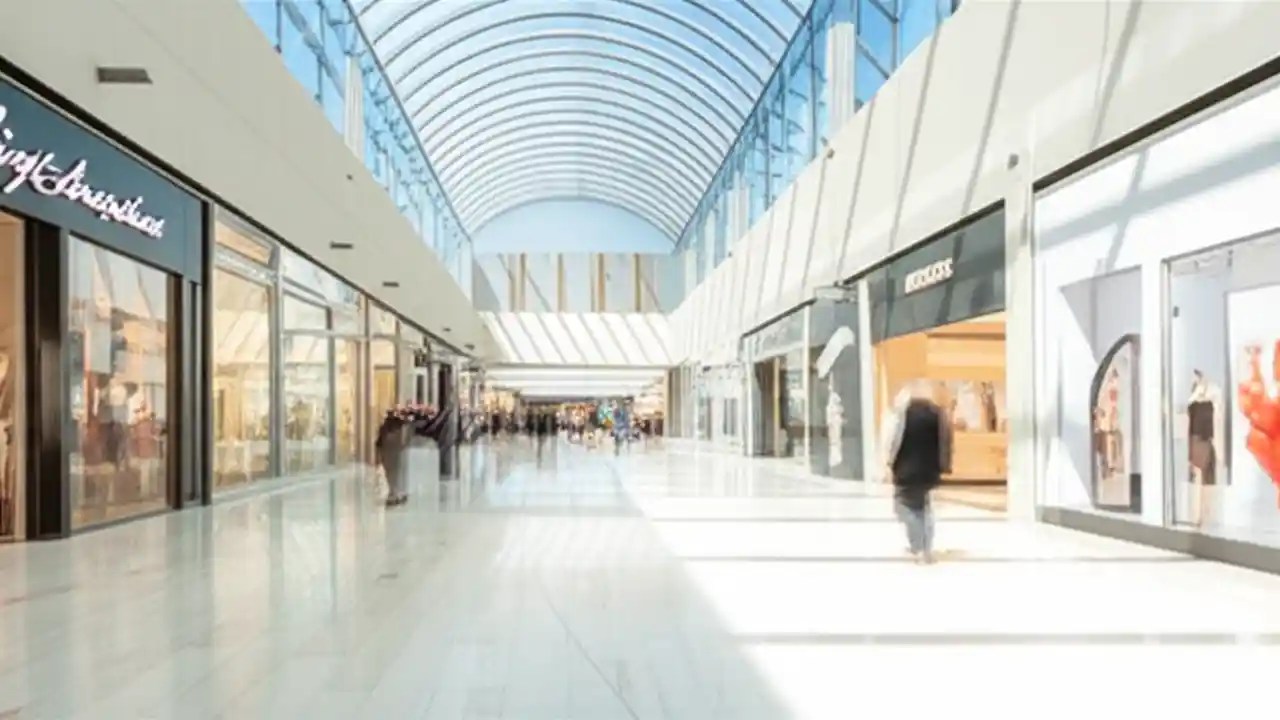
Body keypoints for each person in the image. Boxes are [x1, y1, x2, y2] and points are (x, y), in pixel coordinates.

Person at [883, 380, 953, 564]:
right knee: (924, 507)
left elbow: (893, 441)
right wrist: (944, 465)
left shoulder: (902, 415)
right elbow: (946, 441)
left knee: (903, 506)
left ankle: (919, 547)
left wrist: (887, 463)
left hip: (905, 469)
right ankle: (926, 547)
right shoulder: (938, 414)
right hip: (930, 469)